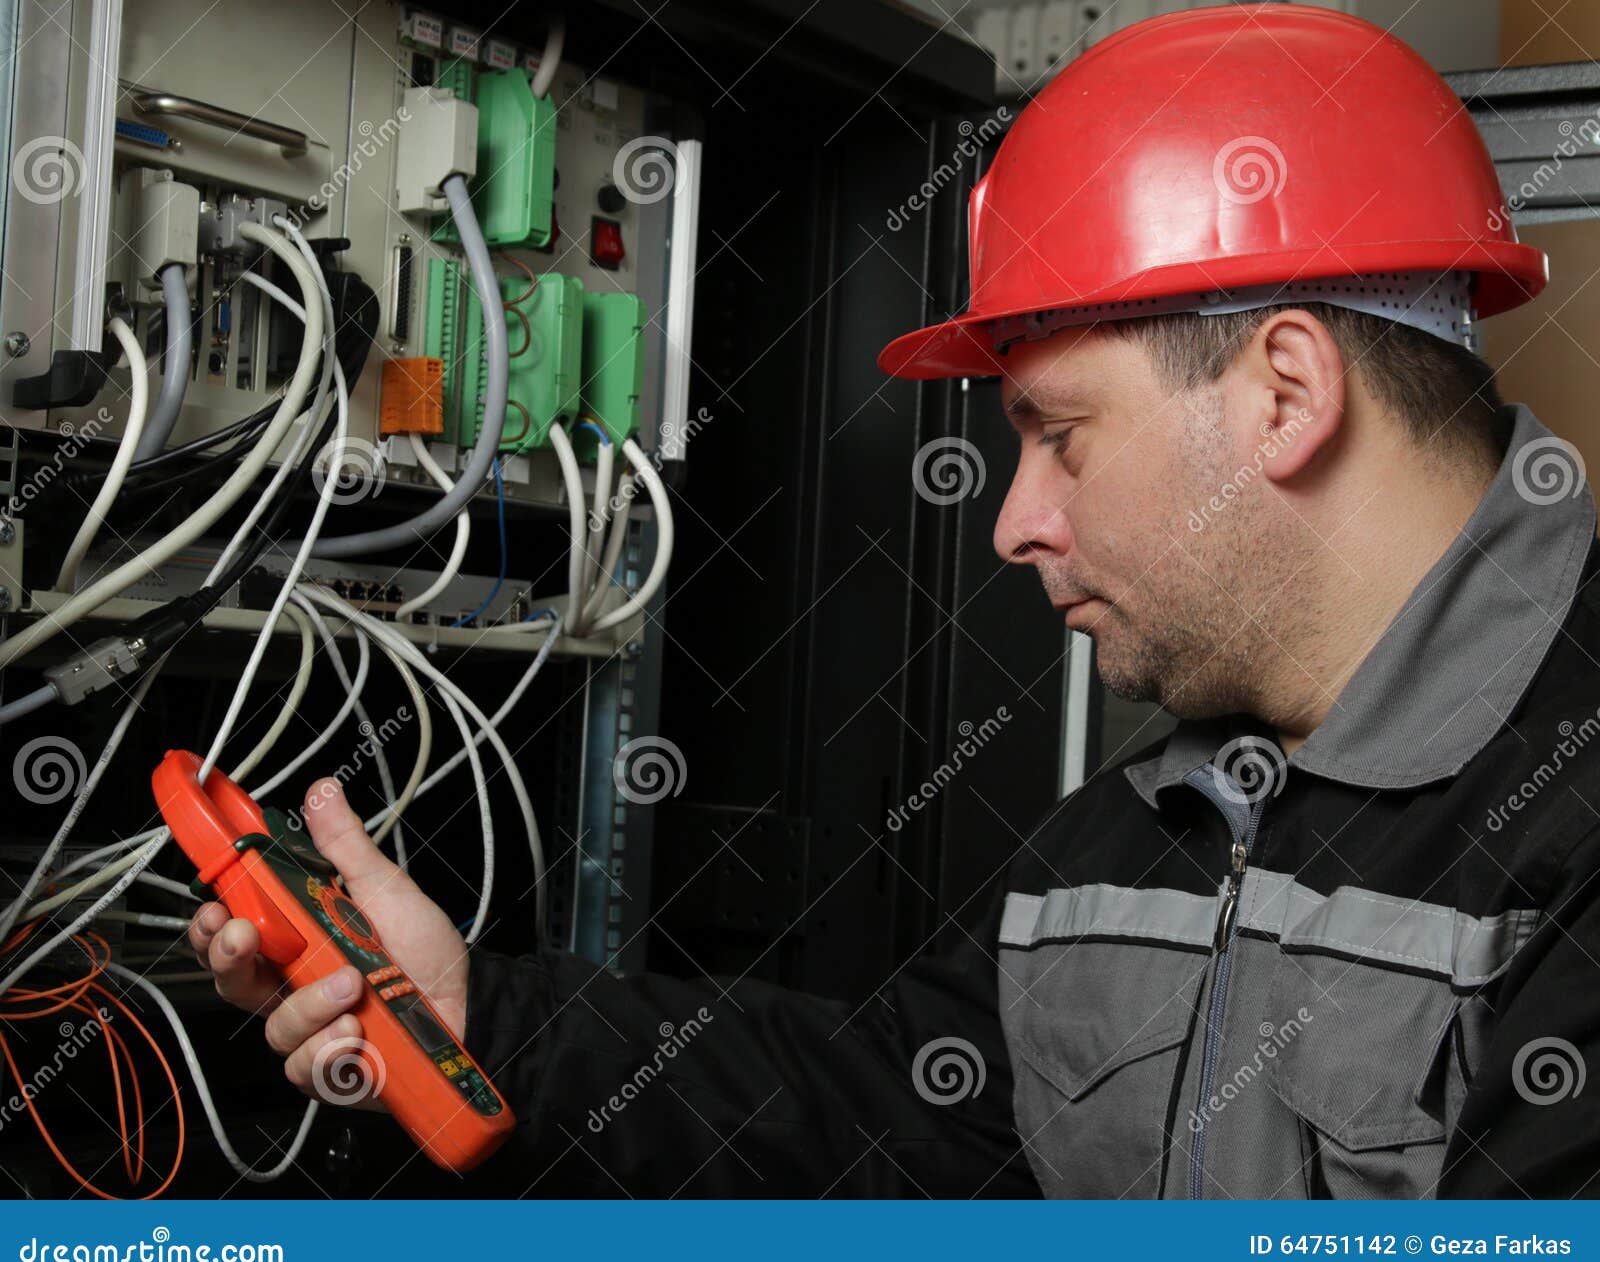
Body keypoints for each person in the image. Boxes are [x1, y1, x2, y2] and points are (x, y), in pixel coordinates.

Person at [191, 5, 1600, 1197]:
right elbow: (887, 1111)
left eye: (1060, 435)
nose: (1013, 523)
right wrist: (480, 1016)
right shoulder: (1136, 838)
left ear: (1285, 395)